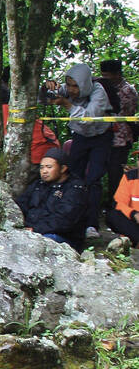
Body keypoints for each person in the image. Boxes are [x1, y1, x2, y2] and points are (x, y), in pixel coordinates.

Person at [51, 62, 116, 238]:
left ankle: (91, 224)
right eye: (69, 85)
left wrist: (67, 105)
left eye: (75, 86)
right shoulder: (66, 89)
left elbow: (89, 117)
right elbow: (46, 98)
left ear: (85, 83)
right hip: (80, 137)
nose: (71, 90)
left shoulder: (98, 92)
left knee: (94, 179)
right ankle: (71, 218)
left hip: (100, 137)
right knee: (73, 176)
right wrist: (48, 88)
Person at [15, 146, 88, 250]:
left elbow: (64, 220)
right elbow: (20, 205)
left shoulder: (75, 188)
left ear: (63, 168)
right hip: (32, 232)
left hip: (61, 238)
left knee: (38, 244)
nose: (44, 171)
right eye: (41, 167)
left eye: (49, 167)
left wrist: (35, 229)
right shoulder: (38, 185)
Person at [99, 59, 137, 206]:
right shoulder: (104, 87)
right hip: (104, 137)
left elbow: (121, 112)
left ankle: (116, 206)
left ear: (117, 75)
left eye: (107, 75)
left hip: (121, 138)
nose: (105, 78)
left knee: (116, 174)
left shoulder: (128, 90)